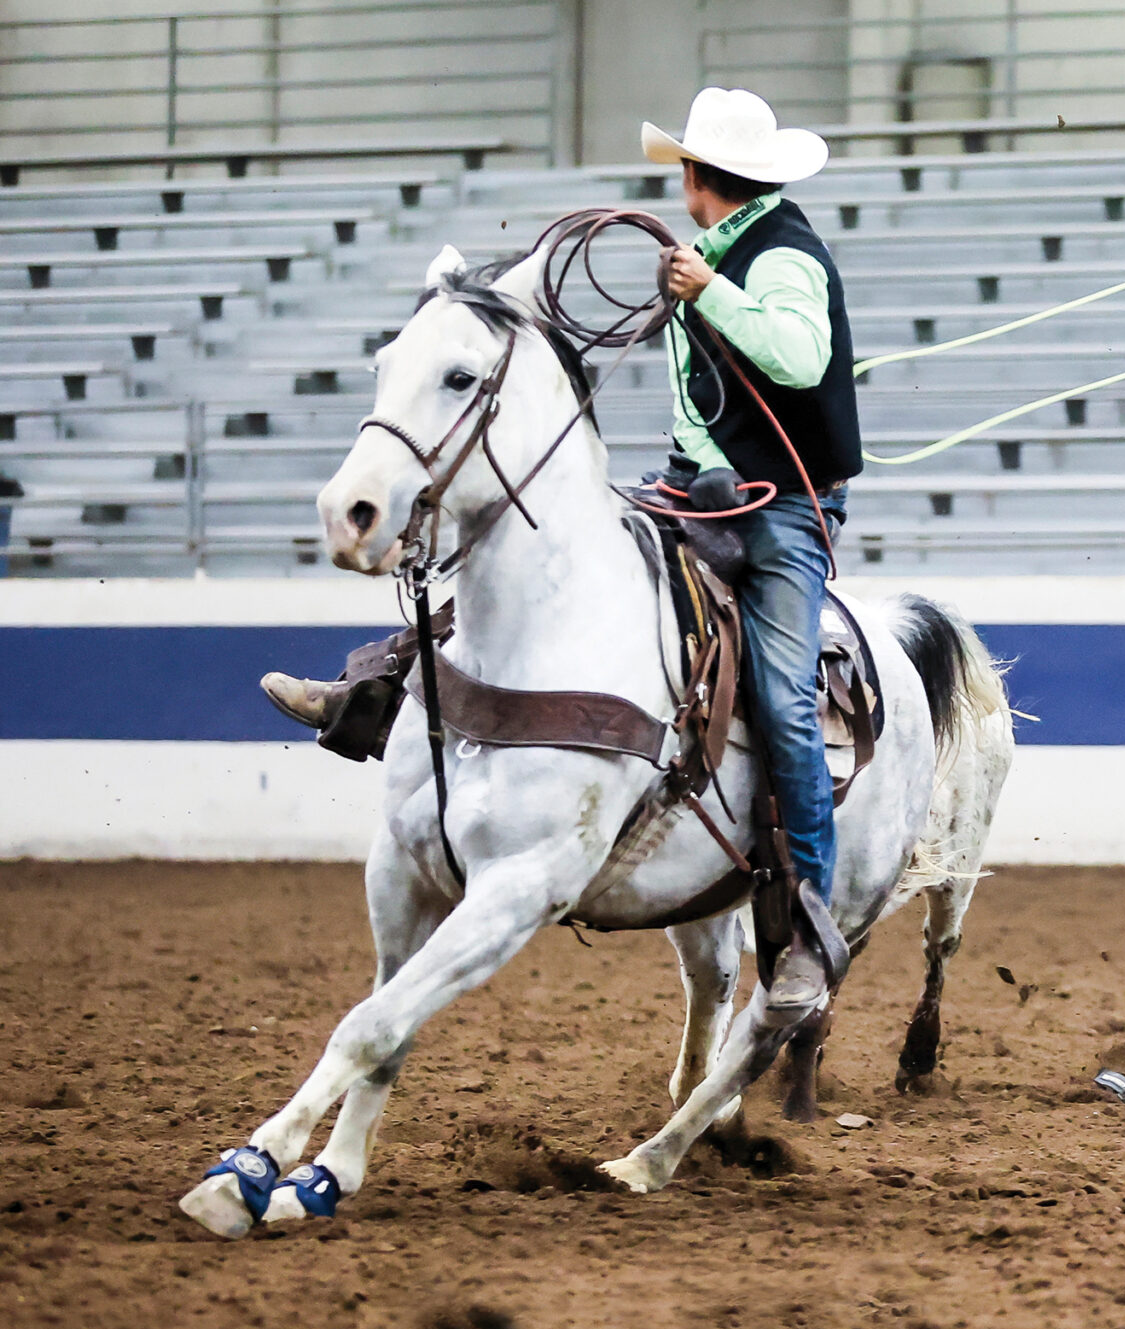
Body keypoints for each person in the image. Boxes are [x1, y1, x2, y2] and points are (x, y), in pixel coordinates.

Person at [261, 87, 862, 1014]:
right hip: (691, 489)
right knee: (554, 570)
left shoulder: (784, 260)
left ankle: (811, 927)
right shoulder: (715, 250)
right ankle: (373, 686)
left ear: (702, 178)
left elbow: (798, 355)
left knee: (785, 702)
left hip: (781, 508)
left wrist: (714, 296)